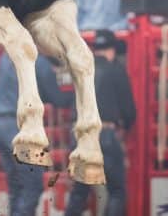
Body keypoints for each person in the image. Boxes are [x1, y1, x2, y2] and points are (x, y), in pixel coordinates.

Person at [64, 30, 135, 216]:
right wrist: (125, 128)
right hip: (104, 134)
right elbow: (129, 111)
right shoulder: (116, 70)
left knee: (79, 192)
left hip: (80, 135)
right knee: (116, 191)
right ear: (112, 51)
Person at [0, 52, 72, 216]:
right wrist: (78, 95)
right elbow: (56, 97)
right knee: (32, 187)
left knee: (17, 187)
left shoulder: (6, 57)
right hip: (22, 130)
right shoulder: (38, 62)